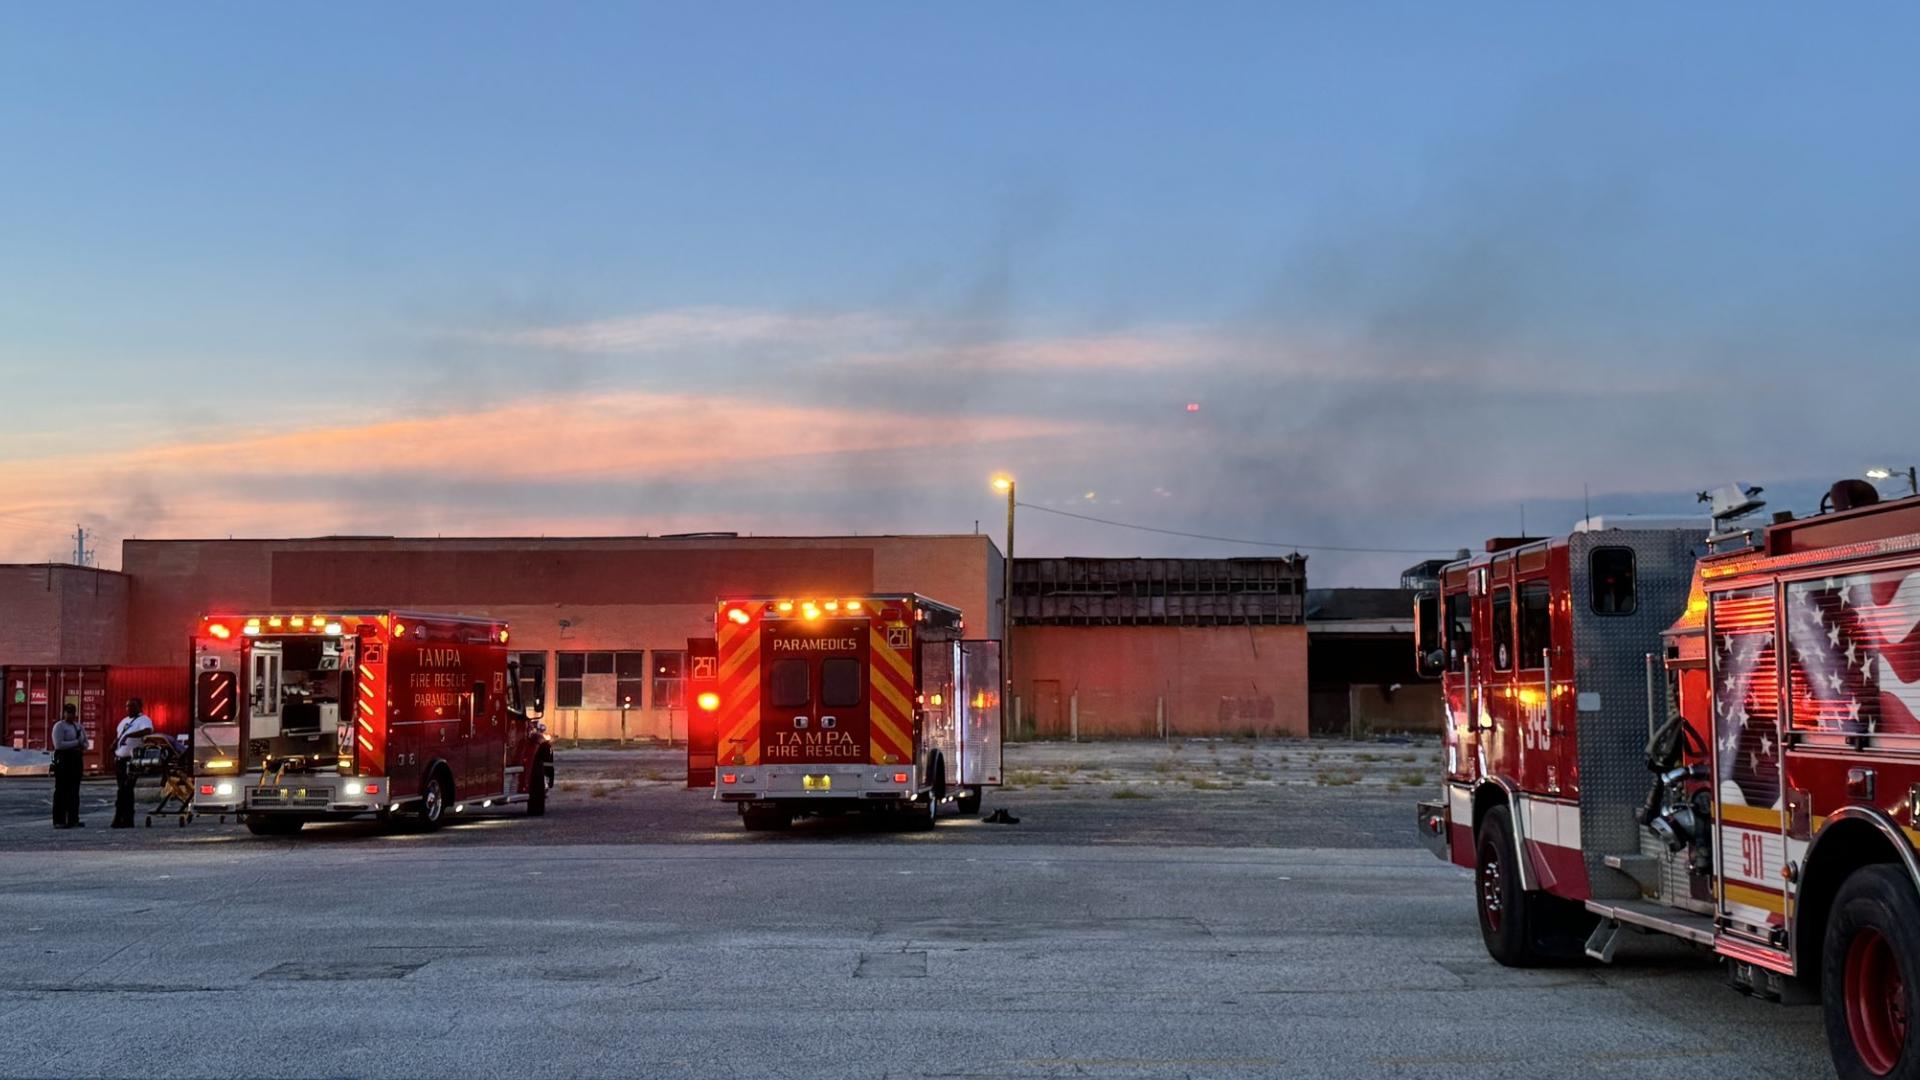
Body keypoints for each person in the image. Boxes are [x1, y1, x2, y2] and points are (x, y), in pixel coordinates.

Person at [112, 698, 153, 828]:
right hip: (120, 758)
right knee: (121, 789)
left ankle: (127, 819)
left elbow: (147, 731)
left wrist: (129, 735)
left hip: (132, 760)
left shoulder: (143, 720)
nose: (128, 708)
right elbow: (119, 736)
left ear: (139, 707)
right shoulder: (124, 721)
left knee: (127, 788)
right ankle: (119, 817)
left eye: (132, 706)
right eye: (127, 706)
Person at [51, 704, 87, 828]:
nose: (71, 715)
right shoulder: (59, 726)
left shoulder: (78, 726)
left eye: (73, 712)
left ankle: (73, 819)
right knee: (61, 790)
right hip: (63, 759)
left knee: (74, 791)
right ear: (64, 713)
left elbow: (85, 743)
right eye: (69, 712)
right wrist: (76, 743)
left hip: (76, 760)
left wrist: (81, 745)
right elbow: (58, 745)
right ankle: (59, 820)